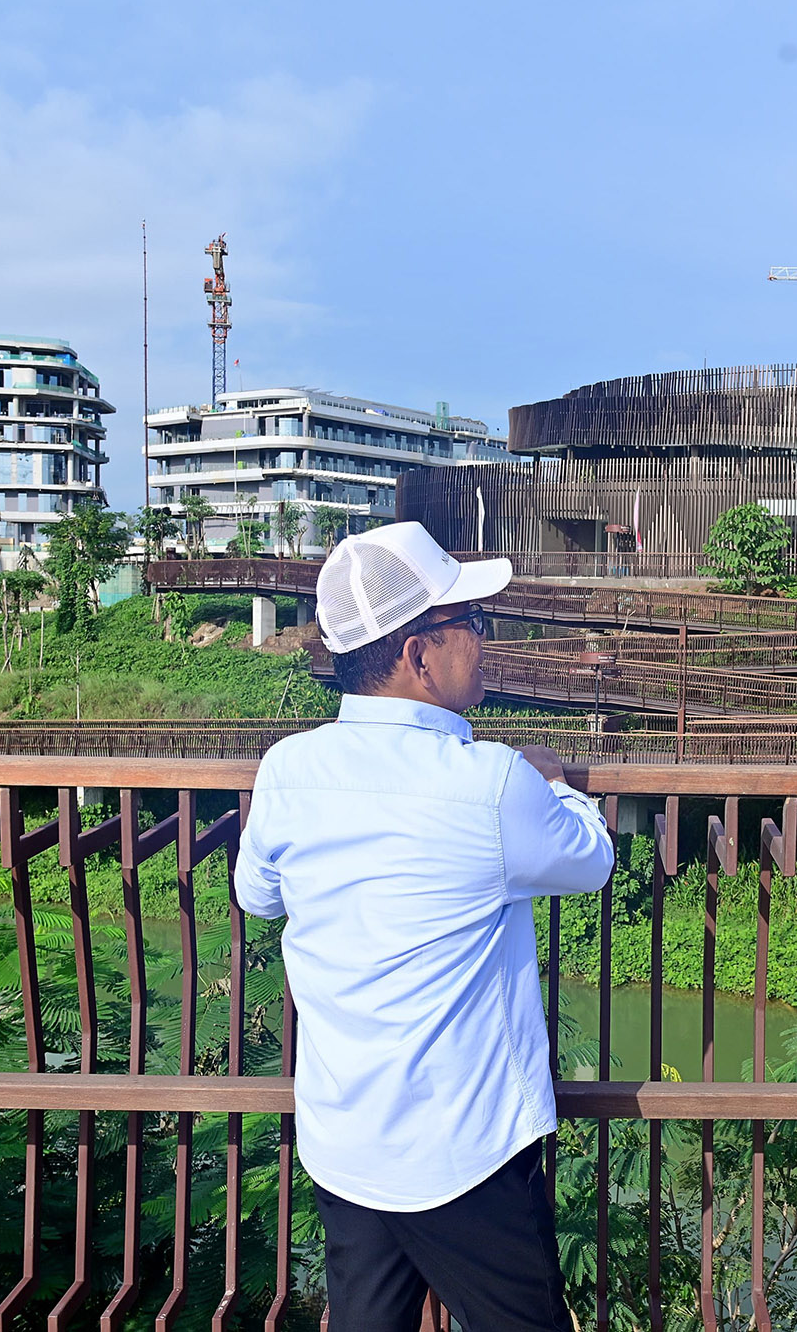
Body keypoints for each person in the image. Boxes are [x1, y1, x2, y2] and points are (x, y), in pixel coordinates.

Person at [234, 521, 614, 1331]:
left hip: (345, 1140)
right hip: (466, 1151)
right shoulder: (492, 784)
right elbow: (590, 861)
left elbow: (258, 895)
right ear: (417, 655)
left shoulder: (287, 771)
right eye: (470, 626)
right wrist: (557, 782)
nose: (484, 641)